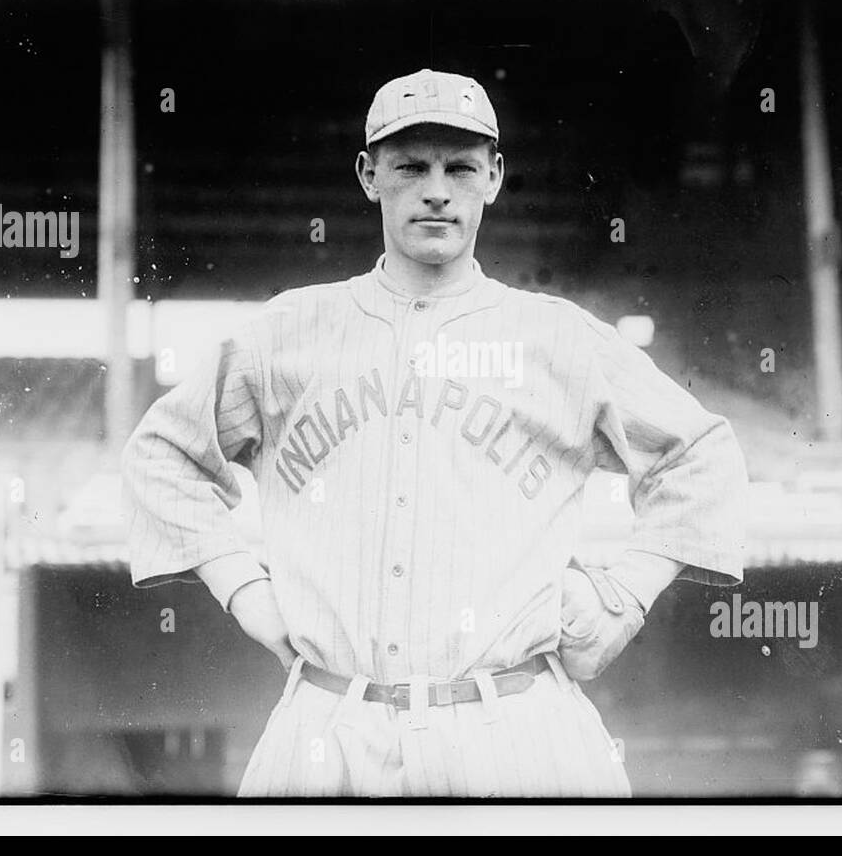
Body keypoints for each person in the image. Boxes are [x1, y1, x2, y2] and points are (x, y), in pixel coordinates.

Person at [121, 69, 748, 797]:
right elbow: (160, 454)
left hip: (514, 728)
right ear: (368, 175)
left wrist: (628, 594)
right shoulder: (286, 333)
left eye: (459, 167)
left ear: (494, 176)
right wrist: (244, 590)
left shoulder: (556, 339)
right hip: (332, 726)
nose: (437, 190)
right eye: (411, 167)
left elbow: (701, 454)